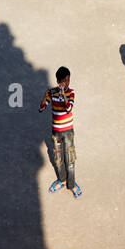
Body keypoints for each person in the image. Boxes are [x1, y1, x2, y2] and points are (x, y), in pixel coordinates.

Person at [39, 67, 81, 198]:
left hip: (68, 131)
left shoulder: (71, 93)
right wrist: (45, 95)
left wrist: (63, 94)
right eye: (63, 81)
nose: (66, 83)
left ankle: (72, 184)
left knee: (70, 158)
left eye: (68, 80)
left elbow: (69, 108)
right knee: (58, 158)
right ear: (58, 81)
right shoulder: (52, 93)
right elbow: (41, 108)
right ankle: (62, 180)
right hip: (56, 132)